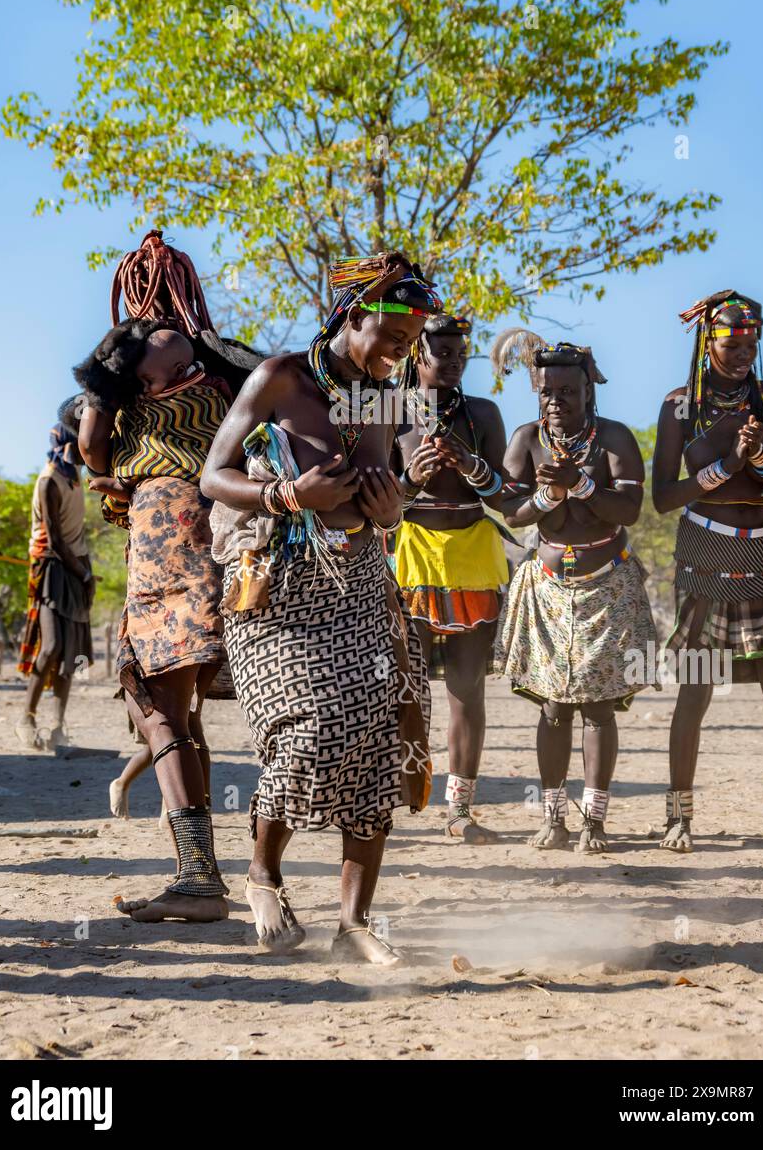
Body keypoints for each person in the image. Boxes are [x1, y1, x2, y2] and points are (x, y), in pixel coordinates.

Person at [201, 253, 437, 965]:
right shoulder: (281, 377)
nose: (406, 345)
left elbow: (379, 497)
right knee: (310, 729)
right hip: (276, 587)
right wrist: (288, 496)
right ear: (353, 314)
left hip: (360, 582)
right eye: (396, 329)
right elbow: (215, 476)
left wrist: (396, 506)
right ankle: (263, 875)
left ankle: (353, 920)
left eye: (415, 335)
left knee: (384, 732)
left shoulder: (384, 395)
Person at [75, 319, 232, 919]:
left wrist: (103, 379)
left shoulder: (149, 408)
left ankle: (199, 882)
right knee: (180, 720)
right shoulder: (221, 397)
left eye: (143, 375)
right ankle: (200, 877)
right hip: (205, 566)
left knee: (161, 717)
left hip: (170, 570)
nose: (138, 385)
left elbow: (91, 448)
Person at [652, 291, 763, 852]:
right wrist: (724, 468)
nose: (744, 351)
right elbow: (664, 497)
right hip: (704, 556)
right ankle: (679, 817)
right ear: (707, 342)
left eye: (751, 342)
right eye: (732, 342)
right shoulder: (678, 406)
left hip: (762, 552)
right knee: (694, 693)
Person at [495, 331, 657, 854]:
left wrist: (582, 485)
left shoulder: (615, 439)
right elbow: (511, 510)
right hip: (546, 589)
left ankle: (595, 821)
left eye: (566, 391)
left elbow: (629, 510)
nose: (555, 401)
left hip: (607, 586)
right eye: (546, 391)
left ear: (588, 391)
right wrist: (549, 494)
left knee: (599, 710)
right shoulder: (525, 439)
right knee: (553, 709)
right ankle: (553, 819)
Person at [392, 313, 508, 842]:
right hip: (412, 551)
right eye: (444, 352)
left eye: (462, 353)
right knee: (404, 683)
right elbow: (371, 488)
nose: (456, 361)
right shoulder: (387, 410)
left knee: (467, 687)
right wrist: (411, 477)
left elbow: (507, 493)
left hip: (472, 553)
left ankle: (459, 810)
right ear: (418, 355)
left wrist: (471, 466)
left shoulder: (482, 412)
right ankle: (398, 795)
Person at [17, 399, 94, 751]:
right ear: (66, 443)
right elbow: (55, 536)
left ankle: (58, 726)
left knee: (71, 652)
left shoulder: (73, 477)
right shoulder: (49, 481)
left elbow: (77, 534)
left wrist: (85, 569)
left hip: (76, 566)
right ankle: (26, 717)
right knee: (51, 646)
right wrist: (83, 573)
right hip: (52, 566)